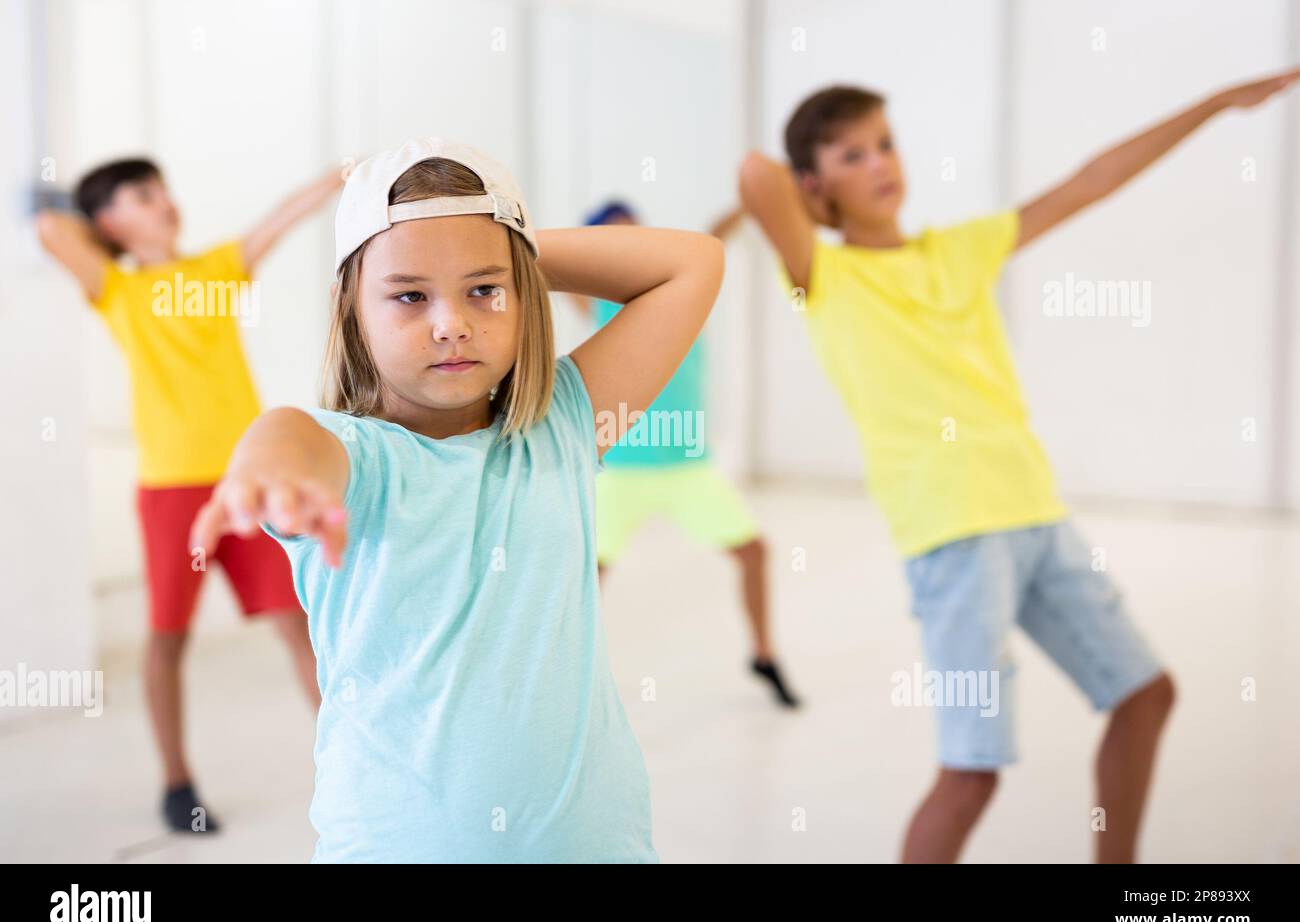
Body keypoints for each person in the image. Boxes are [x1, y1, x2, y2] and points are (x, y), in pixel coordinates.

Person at [739, 66, 1300, 862]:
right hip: (955, 538)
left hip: (1035, 515)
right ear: (815, 186)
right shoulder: (823, 278)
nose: (881, 164)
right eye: (853, 155)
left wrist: (1213, 103)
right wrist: (812, 201)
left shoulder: (961, 248)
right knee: (973, 774)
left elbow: (1092, 182)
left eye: (887, 145)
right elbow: (754, 174)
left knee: (1145, 695)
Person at [190, 138, 725, 862]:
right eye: (410, 294)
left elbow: (693, 263)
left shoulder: (565, 422)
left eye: (484, 289)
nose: (452, 322)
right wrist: (269, 469)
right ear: (351, 308)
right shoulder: (353, 452)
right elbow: (285, 437)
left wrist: (510, 243)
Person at [36, 158, 342, 833]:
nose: (165, 201)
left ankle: (351, 760)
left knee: (298, 625)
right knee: (169, 638)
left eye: (163, 189)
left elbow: (282, 217)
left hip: (248, 481)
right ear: (110, 220)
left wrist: (340, 176)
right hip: (172, 493)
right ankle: (178, 784)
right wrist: (103, 230)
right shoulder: (115, 289)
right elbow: (50, 228)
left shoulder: (216, 268)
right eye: (144, 195)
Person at [575, 200, 798, 708]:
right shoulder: (596, 302)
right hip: (622, 470)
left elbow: (711, 238)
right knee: (588, 576)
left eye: (636, 234)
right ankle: (574, 673)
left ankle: (763, 655)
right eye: (615, 240)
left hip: (688, 470)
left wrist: (750, 200)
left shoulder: (684, 290)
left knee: (753, 553)